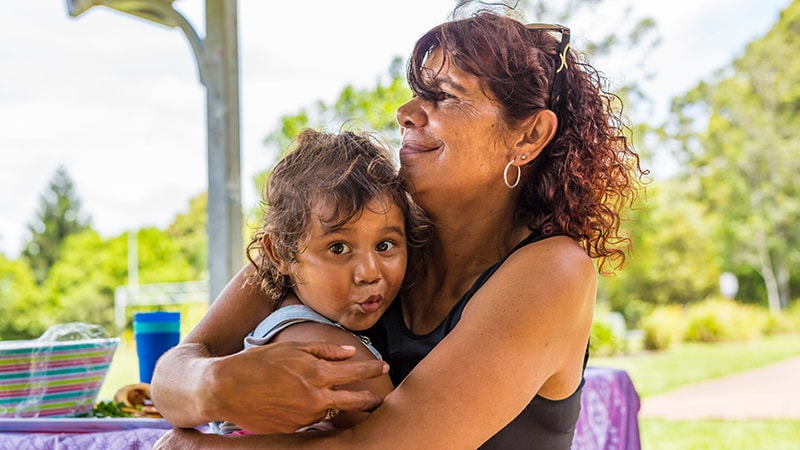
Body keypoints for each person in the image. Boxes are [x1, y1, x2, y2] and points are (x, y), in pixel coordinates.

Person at [151, 6, 646, 449]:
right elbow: (177, 369)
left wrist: (188, 446)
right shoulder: (363, 232)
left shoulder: (553, 272)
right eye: (415, 94)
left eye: (444, 97)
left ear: (530, 135)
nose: (405, 114)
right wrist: (212, 386)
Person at [211, 128, 429, 435]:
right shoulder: (331, 353)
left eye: (385, 246)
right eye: (338, 248)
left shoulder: (285, 320)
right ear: (281, 254)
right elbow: (408, 441)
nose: (369, 272)